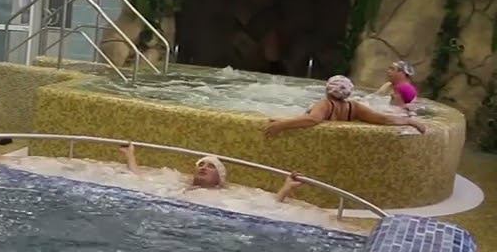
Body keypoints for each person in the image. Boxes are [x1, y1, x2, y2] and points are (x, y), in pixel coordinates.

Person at [119, 142, 305, 201]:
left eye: (210, 166)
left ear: (219, 179)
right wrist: (130, 155)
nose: (203, 167)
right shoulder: (175, 182)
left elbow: (265, 205)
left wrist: (286, 188)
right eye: (201, 165)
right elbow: (141, 180)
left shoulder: (226, 196)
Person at [264, 75, 425, 138]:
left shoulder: (325, 104)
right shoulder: (354, 106)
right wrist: (409, 121)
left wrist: (282, 125)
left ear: (327, 90)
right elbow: (383, 119)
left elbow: (312, 120)